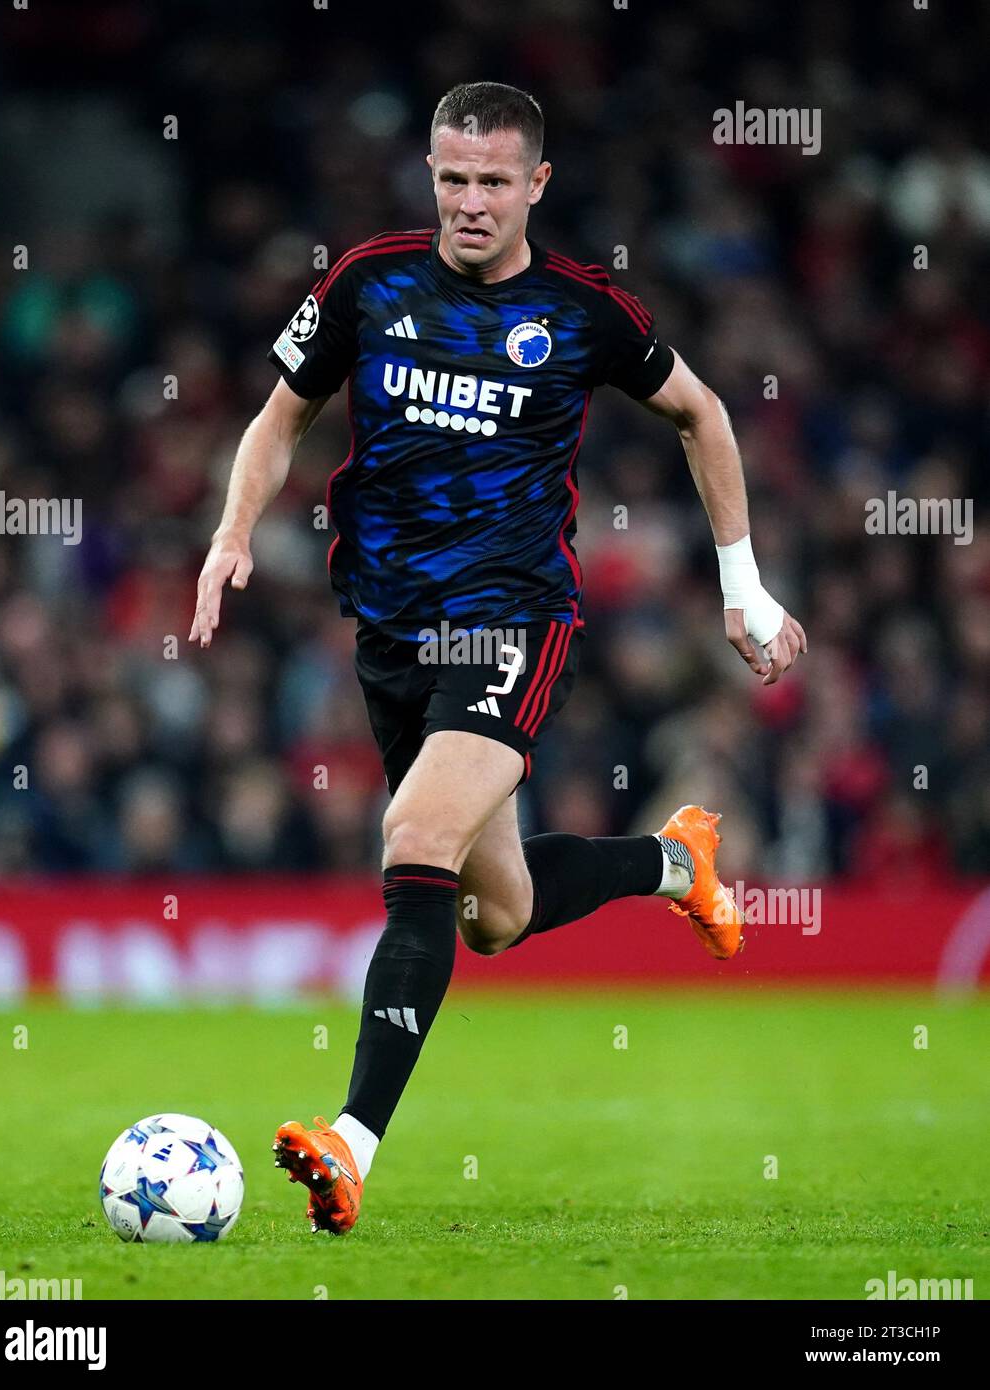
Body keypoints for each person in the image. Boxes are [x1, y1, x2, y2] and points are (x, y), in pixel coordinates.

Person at [189, 82, 807, 1235]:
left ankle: (352, 1140)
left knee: (414, 840)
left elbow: (705, 414)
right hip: (389, 631)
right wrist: (231, 533)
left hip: (511, 619)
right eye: (451, 178)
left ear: (537, 185)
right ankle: (676, 864)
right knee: (493, 916)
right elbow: (280, 417)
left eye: (492, 181)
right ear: (431, 174)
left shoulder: (584, 310)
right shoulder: (368, 281)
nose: (469, 202)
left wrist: (743, 587)